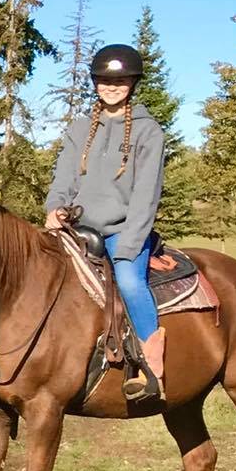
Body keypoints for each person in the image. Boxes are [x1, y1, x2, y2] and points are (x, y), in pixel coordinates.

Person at [45, 42, 168, 400]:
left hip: (123, 232)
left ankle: (152, 370)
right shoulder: (80, 128)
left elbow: (147, 194)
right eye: (104, 80)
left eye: (121, 81)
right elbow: (63, 178)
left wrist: (130, 245)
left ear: (133, 84)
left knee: (129, 282)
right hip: (77, 230)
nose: (111, 87)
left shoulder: (149, 132)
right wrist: (55, 208)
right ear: (95, 82)